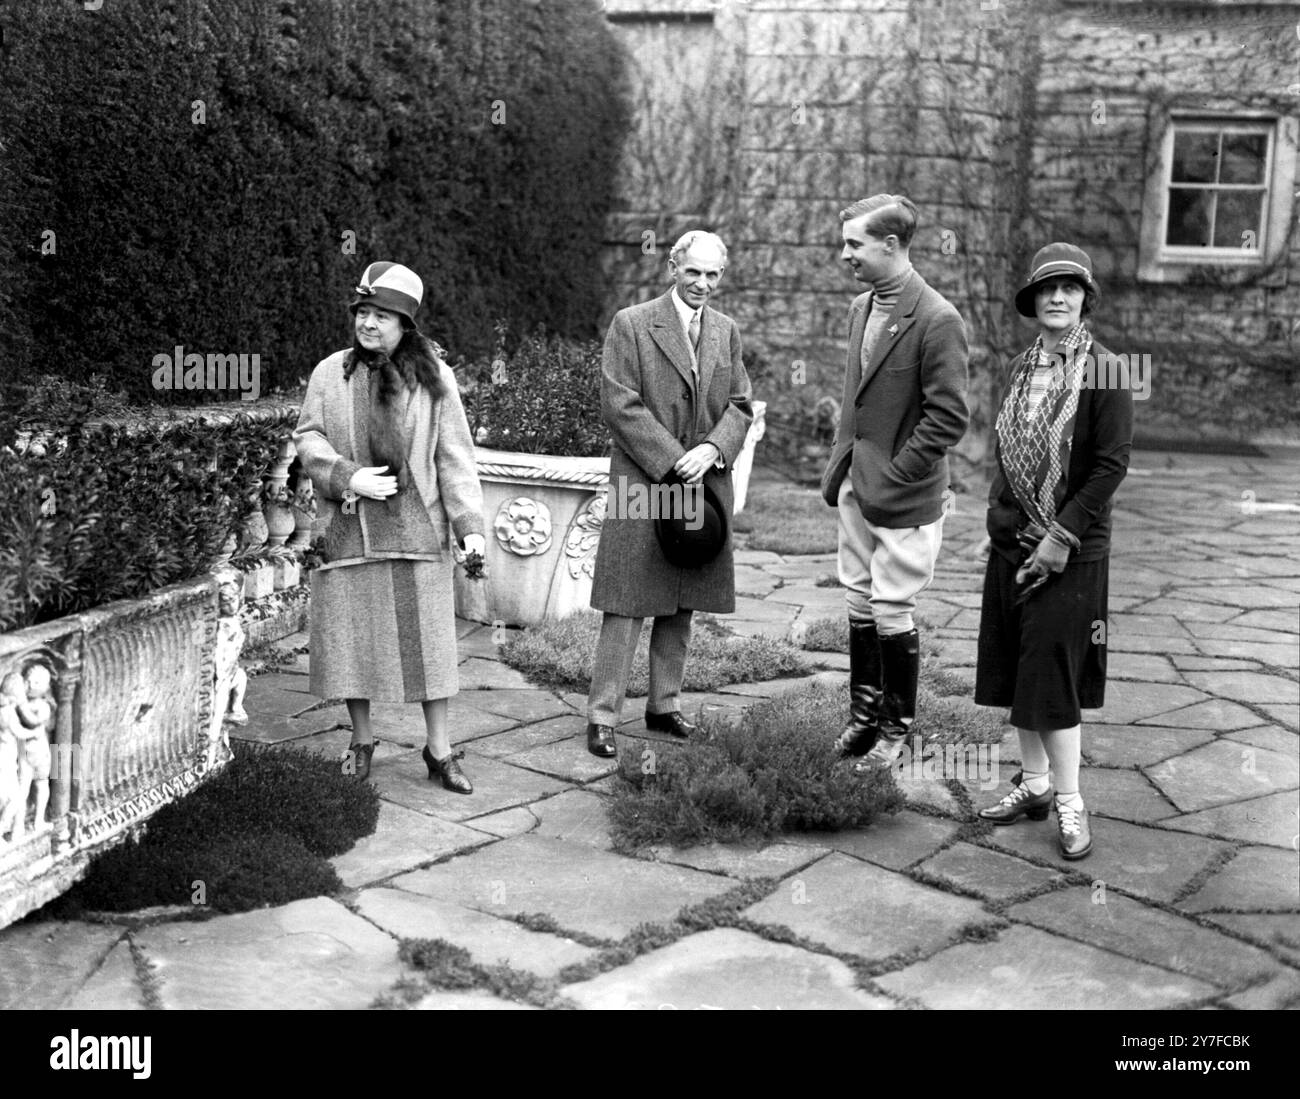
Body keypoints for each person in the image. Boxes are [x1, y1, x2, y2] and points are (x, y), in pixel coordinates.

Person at [293, 261, 486, 793]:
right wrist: (349, 477)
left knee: (429, 646)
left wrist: (469, 526)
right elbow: (308, 438)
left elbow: (456, 459)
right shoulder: (330, 373)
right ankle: (361, 739)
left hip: (416, 534)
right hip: (348, 530)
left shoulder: (433, 378)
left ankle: (440, 749)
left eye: (383, 315)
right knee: (351, 641)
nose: (370, 323)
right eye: (364, 312)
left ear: (406, 325)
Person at [974, 242, 1134, 860]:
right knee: (1020, 666)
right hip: (1015, 541)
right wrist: (1001, 520)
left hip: (1071, 549)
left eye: (1069, 290)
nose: (1058, 299)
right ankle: (1035, 786)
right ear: (1034, 301)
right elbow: (1010, 453)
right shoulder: (1021, 368)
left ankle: (1071, 801)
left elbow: (1108, 467)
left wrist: (1061, 536)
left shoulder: (1108, 370)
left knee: (1054, 673)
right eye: (1047, 290)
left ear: (1085, 300)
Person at [584, 230, 754, 758]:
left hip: (705, 481)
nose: (702, 283)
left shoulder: (726, 331)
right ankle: (601, 716)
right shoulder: (632, 324)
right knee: (629, 597)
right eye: (693, 272)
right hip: (646, 481)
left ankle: (664, 706)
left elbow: (742, 404)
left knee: (682, 597)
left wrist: (712, 449)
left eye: (713, 275)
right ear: (672, 269)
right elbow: (620, 403)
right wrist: (673, 460)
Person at [820, 194, 970, 771]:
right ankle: (861, 719)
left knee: (890, 608)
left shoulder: (938, 318)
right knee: (858, 600)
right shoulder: (861, 307)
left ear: (891, 245)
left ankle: (893, 733)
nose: (845, 255)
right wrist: (846, 468)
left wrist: (898, 473)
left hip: (904, 494)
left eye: (854, 244)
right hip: (856, 485)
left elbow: (949, 417)